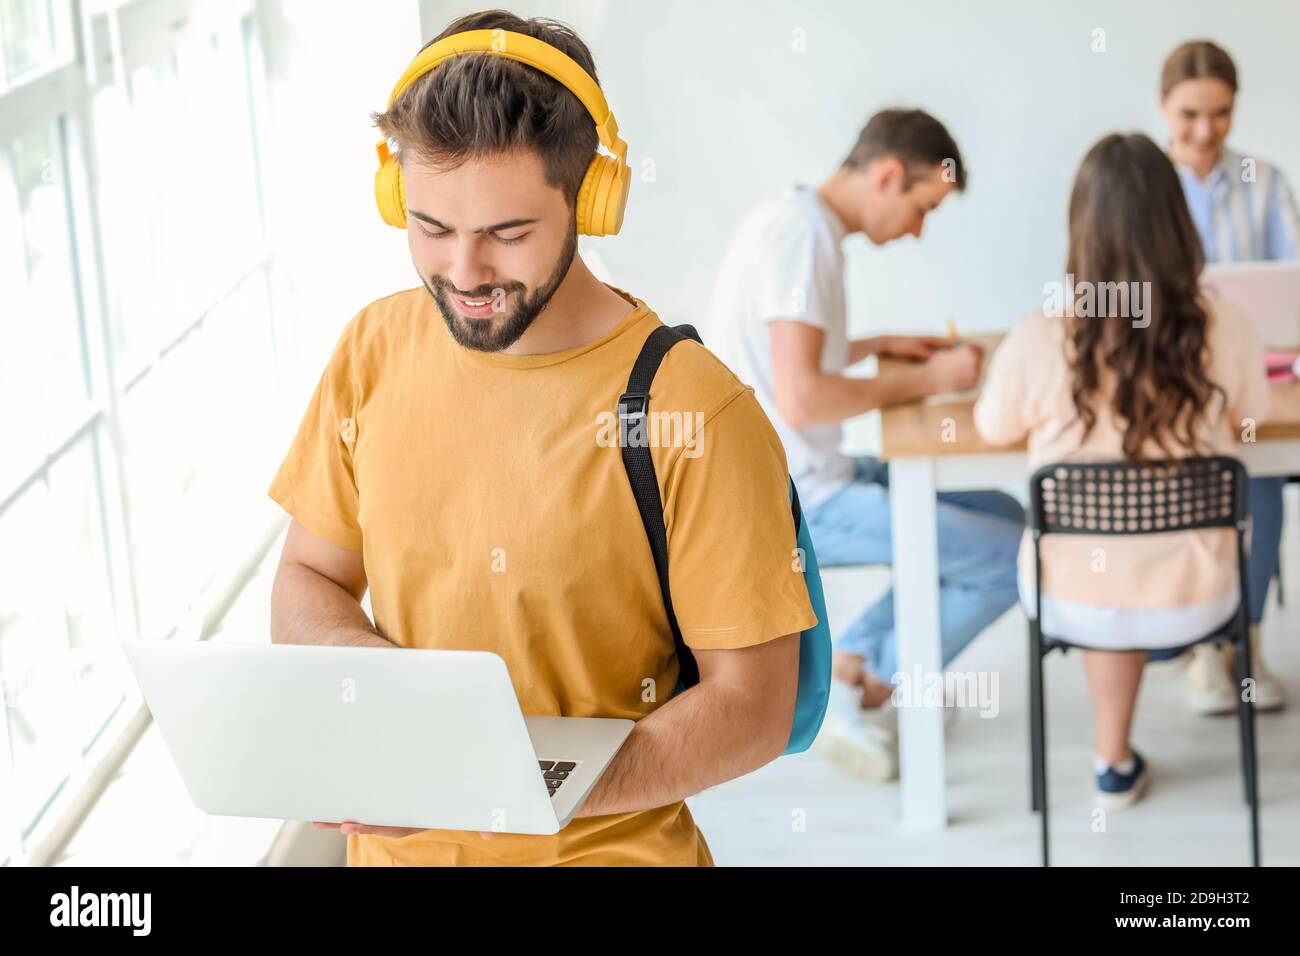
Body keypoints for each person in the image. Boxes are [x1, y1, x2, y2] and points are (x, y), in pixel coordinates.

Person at [266, 10, 817, 866]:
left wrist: (505, 781)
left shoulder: (695, 411)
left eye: (507, 233)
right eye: (431, 228)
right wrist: (385, 708)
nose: (464, 273)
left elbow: (753, 708)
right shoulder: (372, 348)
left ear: (591, 198)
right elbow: (309, 576)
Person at [709, 109, 1024, 781]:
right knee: (1013, 558)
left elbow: (785, 351)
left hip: (811, 469)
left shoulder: (794, 220)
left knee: (1007, 514)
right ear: (887, 175)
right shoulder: (805, 239)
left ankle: (854, 666)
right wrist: (933, 378)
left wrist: (878, 348)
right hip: (797, 498)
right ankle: (860, 682)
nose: (917, 230)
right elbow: (801, 397)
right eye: (922, 207)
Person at [974, 133, 1270, 807]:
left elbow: (993, 428)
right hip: (1202, 595)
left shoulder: (1039, 338)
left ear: (1081, 232)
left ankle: (1112, 763)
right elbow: (1255, 415)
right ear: (1177, 225)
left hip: (1076, 601)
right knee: (1134, 556)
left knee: (1100, 560)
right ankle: (1122, 755)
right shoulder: (1231, 328)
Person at [1158, 39, 1296, 714]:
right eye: (1189, 115)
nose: (1205, 131)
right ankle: (1198, 644)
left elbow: (1292, 286)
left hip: (1251, 376)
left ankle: (1245, 643)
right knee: (1186, 484)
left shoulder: (1264, 181)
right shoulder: (1144, 186)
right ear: (1163, 107)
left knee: (1261, 485)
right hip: (1165, 384)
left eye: (1220, 114)